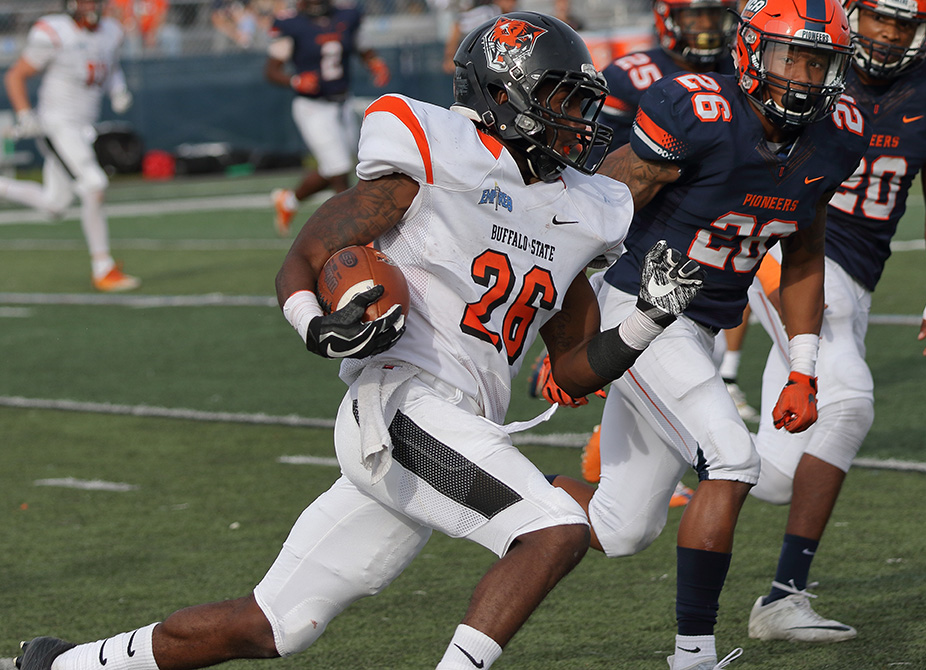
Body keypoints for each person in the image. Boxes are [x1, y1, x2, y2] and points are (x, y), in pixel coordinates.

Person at [9, 13, 705, 670]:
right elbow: (309, 253)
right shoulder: (438, 155)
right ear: (503, 94)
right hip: (401, 404)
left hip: (453, 426)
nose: (579, 121)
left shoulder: (577, 212)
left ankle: (64, 663)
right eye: (559, 96)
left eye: (582, 102)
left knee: (272, 623)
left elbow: (573, 370)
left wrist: (648, 318)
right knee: (554, 529)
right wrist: (316, 324)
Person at [546, 0, 872, 665]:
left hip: (701, 324)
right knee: (732, 458)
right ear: (751, 50)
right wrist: (568, 344)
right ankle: (692, 656)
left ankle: (502, 493)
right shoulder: (696, 112)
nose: (805, 77)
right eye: (792, 57)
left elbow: (806, 249)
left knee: (622, 526)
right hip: (641, 314)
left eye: (820, 62)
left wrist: (805, 367)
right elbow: (585, 221)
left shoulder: (835, 135)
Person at [744, 0, 926, 642]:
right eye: (877, 17)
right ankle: (782, 599)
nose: (885, 34)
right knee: (849, 401)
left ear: (924, 31)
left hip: (858, 267)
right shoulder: (813, 60)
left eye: (901, 23)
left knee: (769, 478)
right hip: (793, 251)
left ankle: (672, 439)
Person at [526, 0, 756, 486]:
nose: (707, 29)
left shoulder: (740, 77)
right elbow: (594, 152)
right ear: (667, 18)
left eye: (715, 17)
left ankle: (639, 459)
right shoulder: (637, 73)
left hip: (704, 223)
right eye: (695, 16)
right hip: (633, 213)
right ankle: (561, 354)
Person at [0, 0, 140, 292]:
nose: (92, 7)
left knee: (55, 205)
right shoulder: (56, 32)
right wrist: (25, 114)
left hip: (83, 127)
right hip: (56, 125)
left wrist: (118, 90)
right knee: (93, 184)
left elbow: (110, 65)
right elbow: (15, 75)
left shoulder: (111, 31)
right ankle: (103, 268)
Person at [267, 0, 391, 236]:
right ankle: (352, 230)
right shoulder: (292, 24)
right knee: (339, 168)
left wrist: (374, 63)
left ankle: (288, 201)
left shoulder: (346, 17)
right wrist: (296, 81)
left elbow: (362, 46)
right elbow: (271, 70)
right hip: (313, 106)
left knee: (336, 165)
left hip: (342, 103)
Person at [441, 0, 517, 75]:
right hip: (477, 63)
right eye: (508, 0)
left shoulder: (513, 15)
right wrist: (450, 56)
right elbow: (459, 26)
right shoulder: (488, 13)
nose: (511, 3)